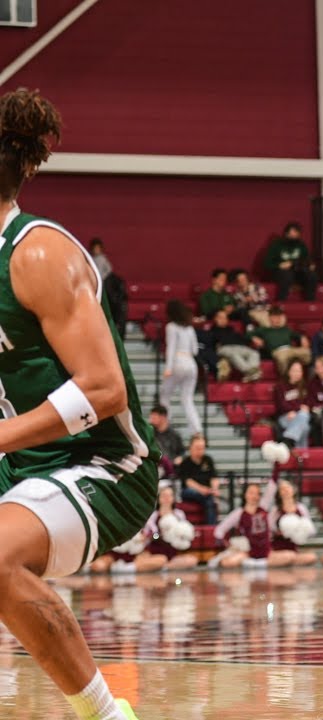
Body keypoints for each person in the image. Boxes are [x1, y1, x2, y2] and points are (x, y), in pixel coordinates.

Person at [0, 87, 158, 720]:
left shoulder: (36, 254)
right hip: (23, 461)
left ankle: (106, 715)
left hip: (102, 464)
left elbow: (104, 389)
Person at [213, 483, 305, 568]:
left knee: (291, 556)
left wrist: (277, 465)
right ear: (245, 495)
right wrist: (228, 545)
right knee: (227, 562)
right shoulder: (239, 513)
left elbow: (271, 487)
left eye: (257, 494)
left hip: (266, 552)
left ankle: (257, 564)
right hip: (249, 552)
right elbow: (219, 531)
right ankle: (255, 563)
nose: (254, 496)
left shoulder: (263, 508)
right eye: (251, 493)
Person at [158, 299, 202, 435]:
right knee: (187, 399)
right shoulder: (189, 328)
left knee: (165, 394)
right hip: (191, 363)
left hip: (178, 362)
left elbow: (170, 348)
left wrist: (168, 368)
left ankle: (165, 426)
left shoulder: (171, 327)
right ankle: (197, 430)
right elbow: (195, 350)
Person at [141, 485, 199, 571]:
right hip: (156, 552)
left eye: (169, 495)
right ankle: (161, 565)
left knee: (192, 560)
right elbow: (147, 536)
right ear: (159, 498)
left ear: (173, 498)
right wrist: (159, 535)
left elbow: (185, 531)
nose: (167, 498)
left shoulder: (179, 514)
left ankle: (165, 567)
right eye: (164, 495)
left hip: (173, 553)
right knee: (160, 560)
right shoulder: (152, 516)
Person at [268, 479, 318, 565]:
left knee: (312, 557)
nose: (286, 490)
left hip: (293, 549)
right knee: (288, 556)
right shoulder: (275, 510)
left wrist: (300, 532)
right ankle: (282, 560)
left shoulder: (301, 508)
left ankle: (286, 561)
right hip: (277, 548)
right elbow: (269, 531)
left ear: (293, 490)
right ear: (279, 494)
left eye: (287, 487)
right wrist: (281, 533)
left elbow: (311, 530)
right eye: (282, 489)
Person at [249, 305, 311, 374]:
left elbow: (297, 335)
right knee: (282, 358)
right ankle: (285, 381)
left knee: (309, 353)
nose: (277, 320)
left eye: (279, 317)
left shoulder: (285, 329)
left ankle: (310, 379)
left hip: (290, 350)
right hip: (277, 351)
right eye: (275, 317)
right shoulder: (264, 330)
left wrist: (303, 337)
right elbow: (247, 335)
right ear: (270, 318)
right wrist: (254, 338)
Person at [205, 308, 261, 382]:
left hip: (239, 347)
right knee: (234, 354)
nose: (223, 319)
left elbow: (242, 338)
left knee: (254, 353)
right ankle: (249, 371)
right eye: (220, 317)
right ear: (215, 319)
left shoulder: (231, 329)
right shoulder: (212, 331)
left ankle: (251, 374)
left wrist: (252, 339)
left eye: (225, 317)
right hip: (224, 348)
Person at [266, 221, 318, 301]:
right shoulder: (276, 245)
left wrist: (310, 265)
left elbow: (308, 259)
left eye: (297, 232)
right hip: (281, 272)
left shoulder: (301, 245)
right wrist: (280, 265)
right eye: (294, 231)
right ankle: (281, 302)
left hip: (298, 271)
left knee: (312, 275)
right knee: (287, 275)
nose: (296, 234)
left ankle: (310, 302)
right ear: (286, 233)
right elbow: (267, 264)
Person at [177, 434, 220, 525]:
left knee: (209, 499)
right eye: (197, 447)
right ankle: (211, 527)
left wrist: (214, 489)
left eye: (202, 448)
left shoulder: (208, 460)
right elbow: (188, 482)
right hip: (189, 491)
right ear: (191, 448)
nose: (200, 450)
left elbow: (214, 477)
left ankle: (209, 528)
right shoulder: (185, 462)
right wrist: (201, 489)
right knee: (208, 498)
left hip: (207, 491)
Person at [271, 359, 312, 449]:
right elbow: (281, 405)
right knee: (304, 424)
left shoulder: (305, 386)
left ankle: (288, 440)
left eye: (299, 371)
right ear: (289, 371)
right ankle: (302, 454)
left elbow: (308, 404)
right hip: (285, 417)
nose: (297, 373)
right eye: (294, 370)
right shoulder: (280, 387)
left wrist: (297, 411)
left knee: (304, 423)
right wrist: (295, 410)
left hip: (299, 416)